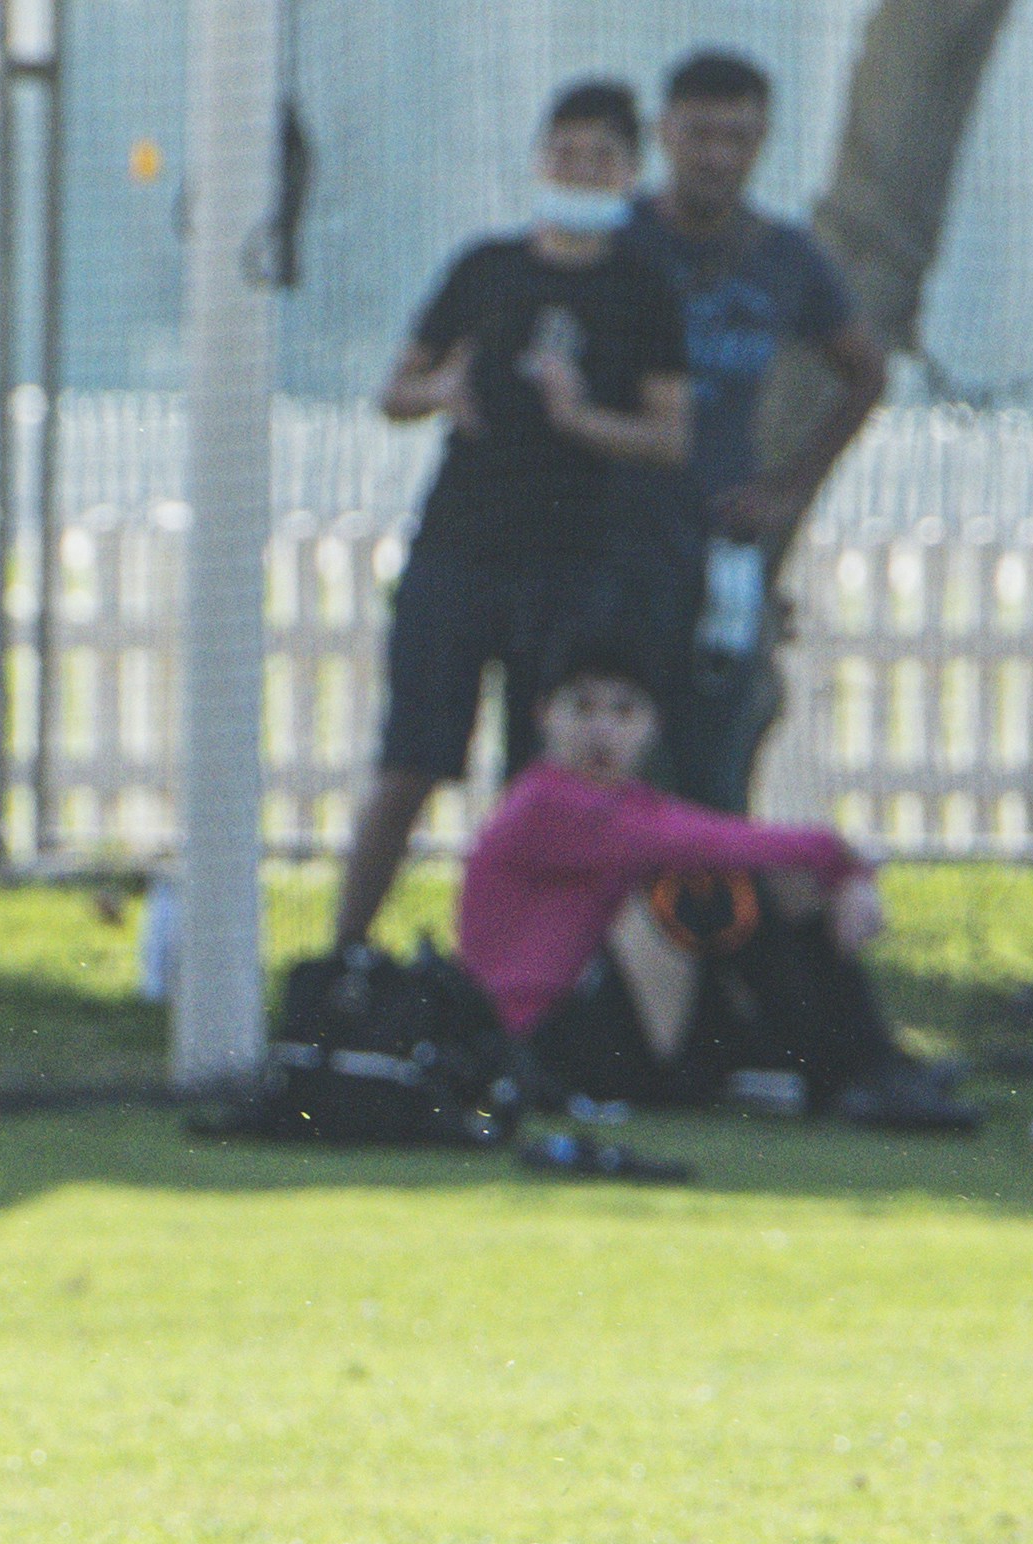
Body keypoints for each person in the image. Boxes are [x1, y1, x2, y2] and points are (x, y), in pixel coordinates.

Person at [330, 78, 693, 952]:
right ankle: (340, 952)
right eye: (565, 153)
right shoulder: (486, 269)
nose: (579, 169)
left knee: (544, 777)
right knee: (414, 757)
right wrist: (440, 387)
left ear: (629, 171)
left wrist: (580, 420)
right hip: (460, 546)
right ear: (540, 159)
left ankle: (517, 965)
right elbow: (395, 392)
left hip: (569, 557)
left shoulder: (642, 288)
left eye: (601, 157)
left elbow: (668, 436)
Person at [456, 636, 971, 1131]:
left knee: (765, 881)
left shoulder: (630, 801)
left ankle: (864, 1064)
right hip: (546, 1042)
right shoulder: (546, 803)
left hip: (629, 1015)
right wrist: (843, 860)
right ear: (545, 715)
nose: (602, 731)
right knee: (704, 888)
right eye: (583, 709)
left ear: (652, 725)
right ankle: (860, 1068)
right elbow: (707, 844)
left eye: (623, 712)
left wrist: (838, 873)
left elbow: (721, 838)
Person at [622, 48, 894, 813]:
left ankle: (714, 916)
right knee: (613, 746)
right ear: (664, 134)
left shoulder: (784, 257)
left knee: (714, 745)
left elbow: (866, 372)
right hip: (618, 534)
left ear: (761, 141)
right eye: (700, 134)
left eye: (737, 138)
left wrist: (790, 485)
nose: (717, 156)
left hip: (718, 535)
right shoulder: (622, 239)